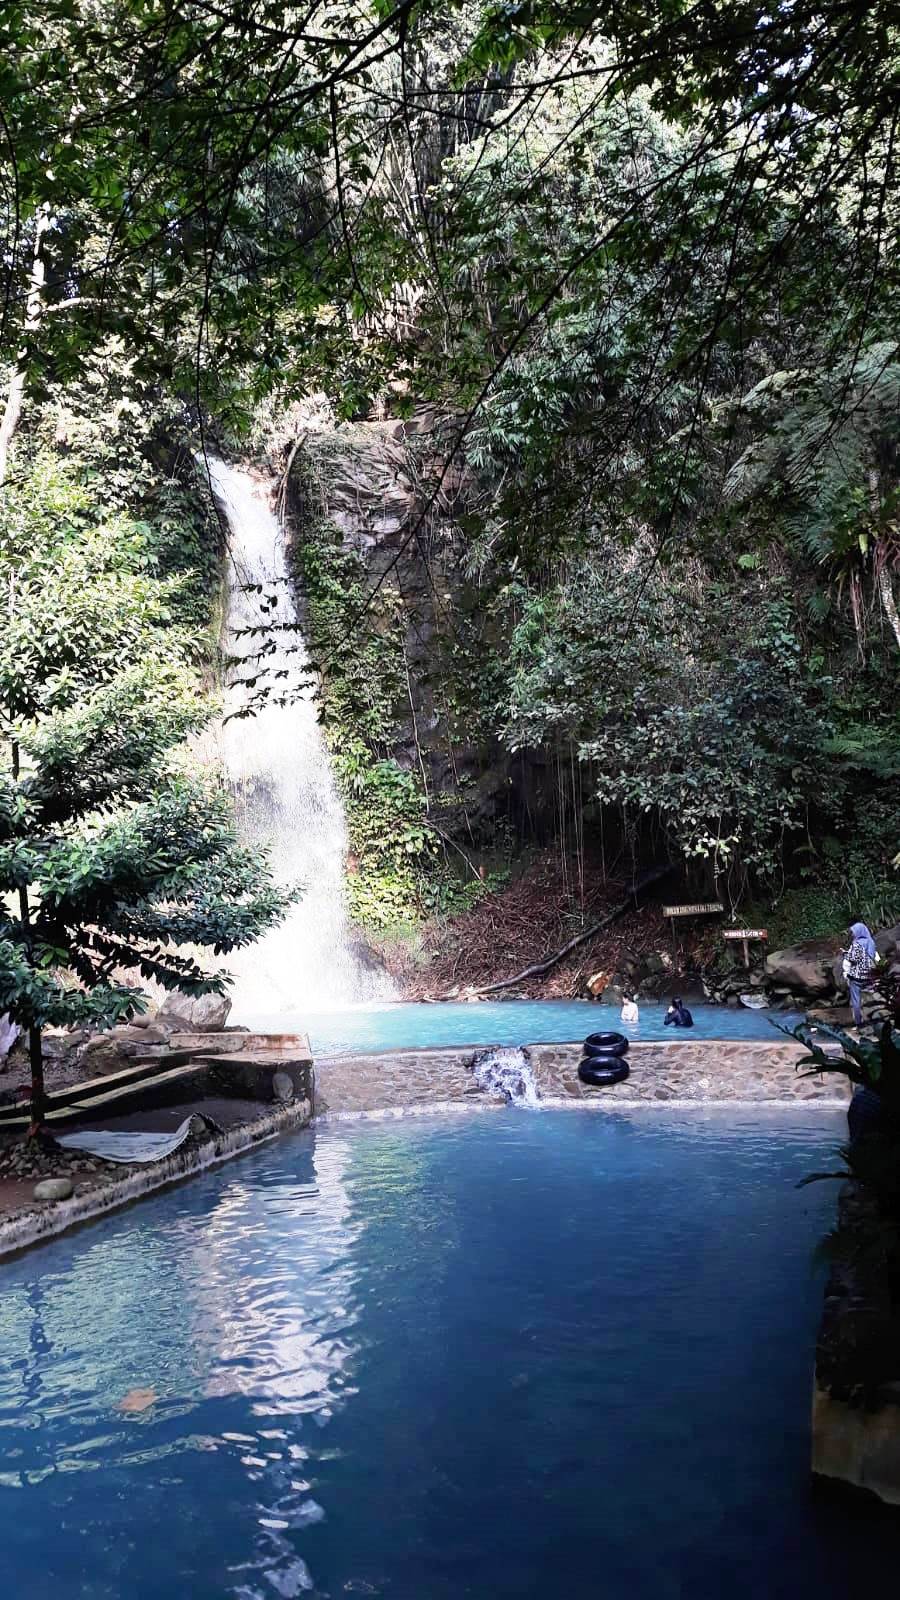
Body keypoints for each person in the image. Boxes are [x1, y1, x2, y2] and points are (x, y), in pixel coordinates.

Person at [842, 921, 878, 1027]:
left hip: (857, 976)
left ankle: (859, 1023)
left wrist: (845, 954)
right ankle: (874, 1021)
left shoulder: (857, 943)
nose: (853, 934)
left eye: (854, 932)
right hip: (869, 975)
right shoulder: (871, 942)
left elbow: (854, 958)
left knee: (856, 1000)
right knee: (870, 998)